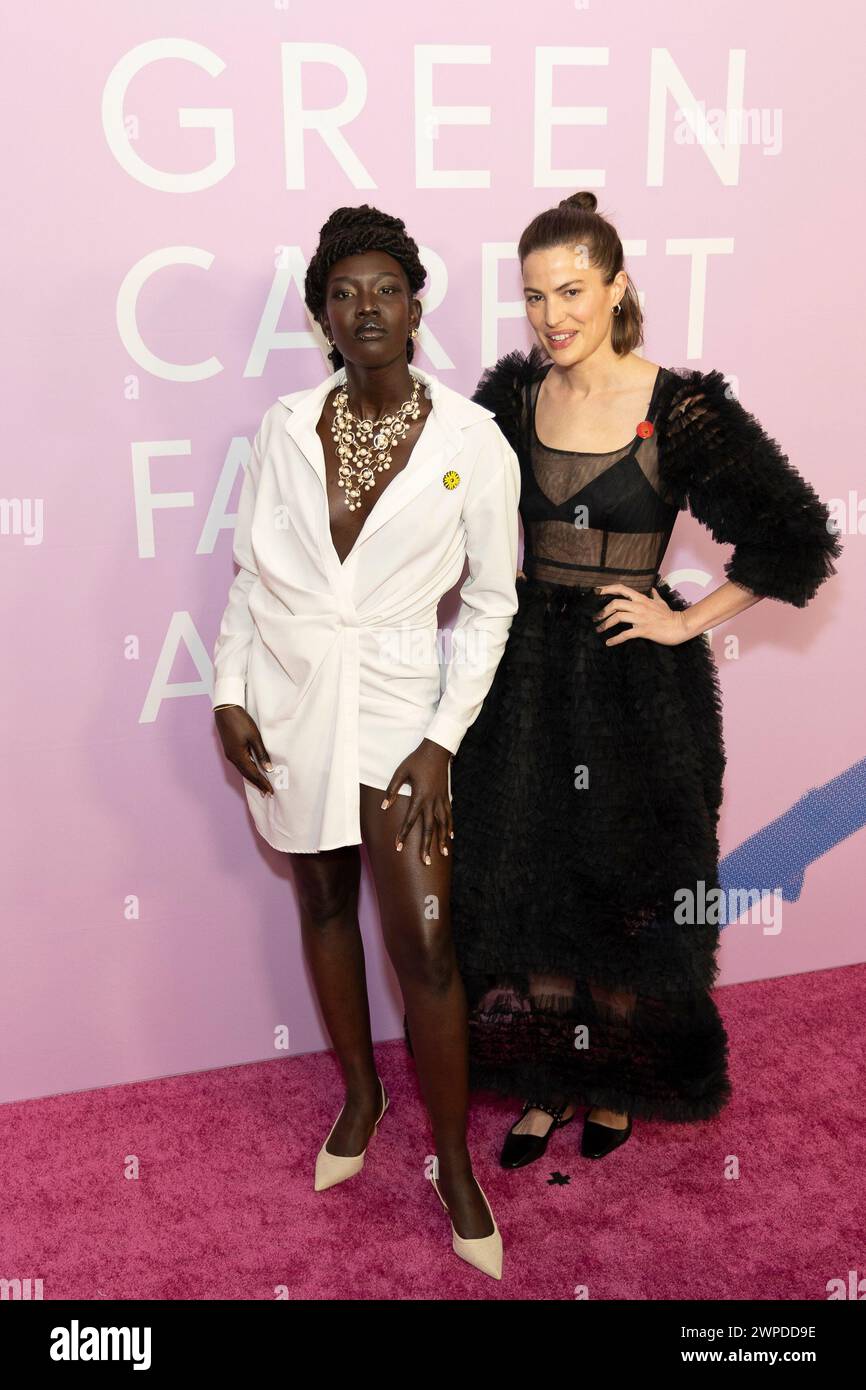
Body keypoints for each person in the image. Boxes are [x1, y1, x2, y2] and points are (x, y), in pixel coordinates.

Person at [448, 191, 841, 1170]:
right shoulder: (507, 398)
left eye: (571, 290)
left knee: (629, 885)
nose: (552, 315)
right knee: (524, 877)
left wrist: (680, 618)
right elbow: (450, 515)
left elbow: (791, 535)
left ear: (616, 286)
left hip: (632, 692)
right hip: (522, 686)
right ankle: (543, 1082)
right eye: (534, 295)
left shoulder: (679, 409)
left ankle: (615, 1078)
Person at [211, 204, 521, 1278]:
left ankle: (451, 1161)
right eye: (342, 294)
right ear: (320, 320)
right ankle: (358, 1093)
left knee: (426, 946)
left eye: (384, 288)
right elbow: (253, 576)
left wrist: (441, 738)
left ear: (416, 303)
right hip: (292, 701)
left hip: (398, 717)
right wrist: (227, 691)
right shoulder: (284, 428)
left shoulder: (470, 443)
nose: (365, 308)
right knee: (319, 900)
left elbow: (490, 602)